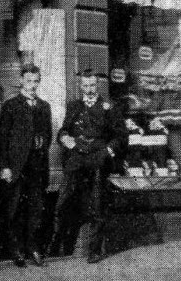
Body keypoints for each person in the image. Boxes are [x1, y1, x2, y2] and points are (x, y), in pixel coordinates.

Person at [50, 69, 128, 263]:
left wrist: (106, 151)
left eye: (92, 85)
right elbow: (64, 130)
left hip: (97, 160)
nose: (89, 89)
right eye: (85, 85)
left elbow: (121, 137)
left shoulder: (109, 107)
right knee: (63, 201)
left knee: (97, 204)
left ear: (97, 85)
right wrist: (64, 138)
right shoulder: (74, 106)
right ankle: (56, 246)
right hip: (76, 160)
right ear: (80, 86)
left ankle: (94, 250)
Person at [0, 63, 52, 268]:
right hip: (16, 167)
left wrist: (41, 144)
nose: (32, 85)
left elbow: (48, 135)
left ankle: (33, 247)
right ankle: (16, 249)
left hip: (37, 167)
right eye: (28, 81)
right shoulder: (11, 105)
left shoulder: (44, 107)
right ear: (21, 81)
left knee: (35, 209)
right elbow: (2, 138)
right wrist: (5, 166)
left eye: (36, 81)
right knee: (15, 209)